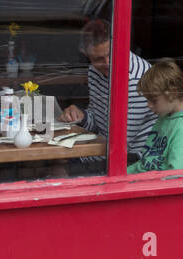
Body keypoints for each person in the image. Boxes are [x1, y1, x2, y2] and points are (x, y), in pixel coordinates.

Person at [60, 19, 156, 164]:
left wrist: (73, 158)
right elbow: (99, 123)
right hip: (105, 150)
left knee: (55, 166)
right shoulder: (94, 71)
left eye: (111, 54)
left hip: (131, 161)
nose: (107, 63)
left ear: (121, 44)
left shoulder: (137, 80)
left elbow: (120, 146)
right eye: (98, 59)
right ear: (86, 55)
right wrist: (82, 116)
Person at [128, 59, 183, 173]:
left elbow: (177, 174)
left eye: (154, 100)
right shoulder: (165, 117)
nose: (149, 105)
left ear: (173, 93)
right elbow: (144, 163)